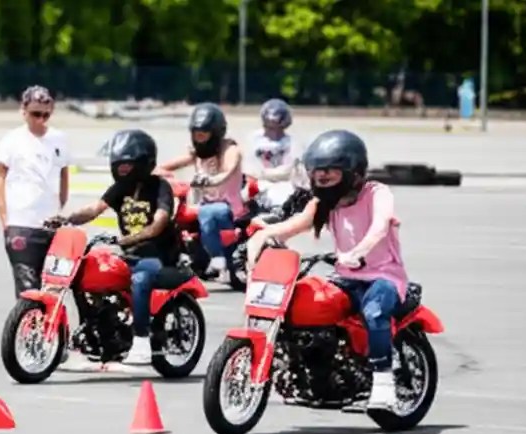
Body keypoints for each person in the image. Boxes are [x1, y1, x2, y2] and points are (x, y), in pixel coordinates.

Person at [246, 129, 409, 411]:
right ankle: (315, 372)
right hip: (347, 277)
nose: (322, 178)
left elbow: (379, 226)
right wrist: (262, 236)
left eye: (330, 173)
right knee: (304, 304)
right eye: (318, 172)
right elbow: (296, 225)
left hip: (384, 277)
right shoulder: (324, 203)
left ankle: (384, 383)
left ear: (354, 172)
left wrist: (359, 252)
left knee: (374, 309)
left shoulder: (377, 193)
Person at [50, 128, 177, 365]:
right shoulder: (121, 189)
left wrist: (125, 240)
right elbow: (94, 209)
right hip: (129, 255)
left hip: (158, 257)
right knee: (84, 271)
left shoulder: (160, 187)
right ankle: (94, 331)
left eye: (127, 165)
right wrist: (66, 218)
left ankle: (141, 340)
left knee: (140, 279)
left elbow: (158, 224)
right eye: (118, 164)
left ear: (142, 162)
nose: (121, 169)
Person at [0, 84, 72, 296]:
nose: (41, 120)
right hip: (21, 223)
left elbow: (63, 172)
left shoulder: (59, 139)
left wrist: (61, 202)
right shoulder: (12, 140)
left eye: (46, 115)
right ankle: (29, 327)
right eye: (35, 114)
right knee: (28, 287)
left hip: (51, 225)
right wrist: (4, 217)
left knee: (53, 287)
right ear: (23, 111)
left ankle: (48, 328)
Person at [157, 102, 244, 280]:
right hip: (205, 205)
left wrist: (211, 180)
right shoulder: (197, 153)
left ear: (216, 132)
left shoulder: (229, 149)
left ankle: (217, 258)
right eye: (196, 135)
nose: (199, 139)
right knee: (177, 217)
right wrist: (149, 172)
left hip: (229, 208)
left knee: (207, 211)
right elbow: (169, 165)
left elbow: (228, 170)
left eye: (203, 135)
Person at [244, 98, 310, 219]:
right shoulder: (254, 139)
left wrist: (267, 174)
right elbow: (248, 166)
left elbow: (291, 169)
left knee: (286, 192)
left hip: (282, 183)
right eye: (270, 127)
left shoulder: (292, 141)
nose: (273, 132)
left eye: (277, 128)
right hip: (257, 181)